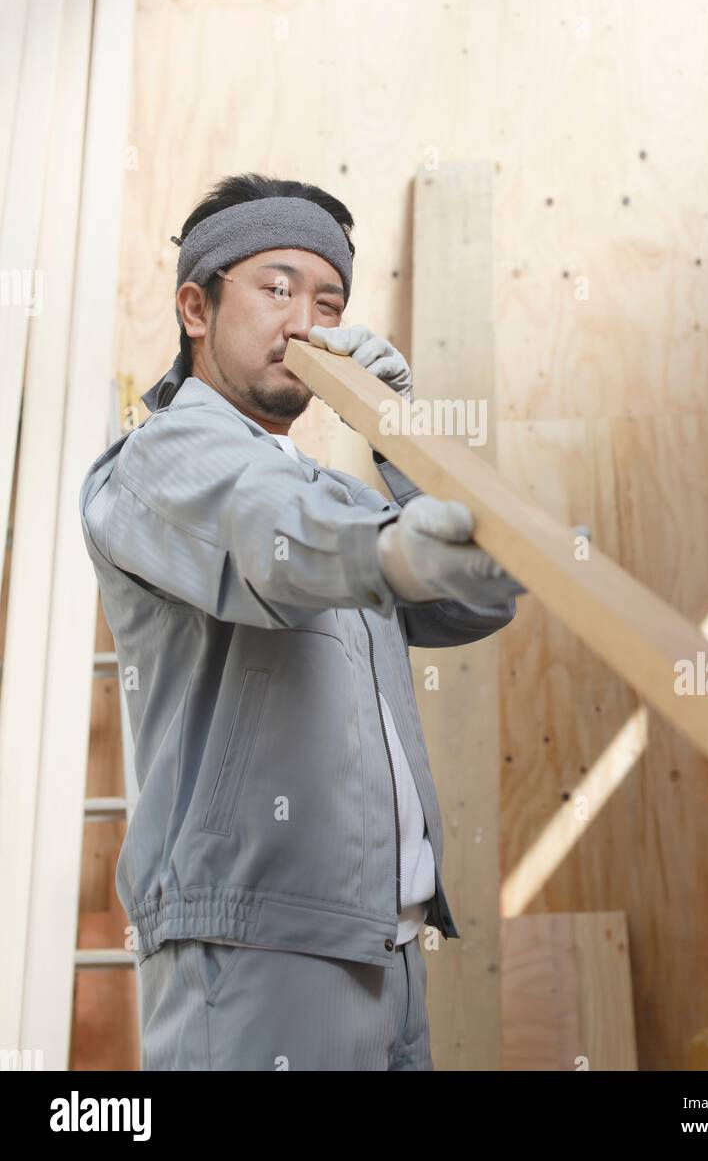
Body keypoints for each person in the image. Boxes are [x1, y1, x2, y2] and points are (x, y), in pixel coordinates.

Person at [79, 172, 525, 1071]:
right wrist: (391, 548)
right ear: (196, 309)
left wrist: (402, 444)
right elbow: (268, 530)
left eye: (329, 301)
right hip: (257, 950)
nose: (305, 322)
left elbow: (482, 597)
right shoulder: (158, 462)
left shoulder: (336, 496)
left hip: (385, 947)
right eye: (276, 288)